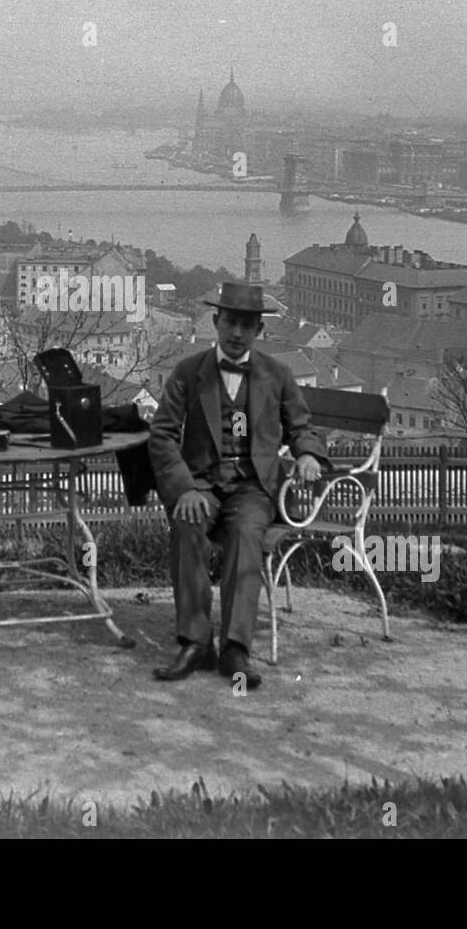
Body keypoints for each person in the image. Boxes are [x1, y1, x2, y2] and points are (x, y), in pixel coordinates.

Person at [148, 281, 329, 688]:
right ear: (215, 320)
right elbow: (161, 435)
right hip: (201, 486)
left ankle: (235, 649)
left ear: (259, 331)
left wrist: (306, 454)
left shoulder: (277, 374)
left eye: (247, 326)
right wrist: (184, 490)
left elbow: (302, 426)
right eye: (230, 322)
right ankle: (195, 642)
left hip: (251, 488)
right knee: (187, 523)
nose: (236, 334)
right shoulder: (189, 371)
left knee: (248, 532)